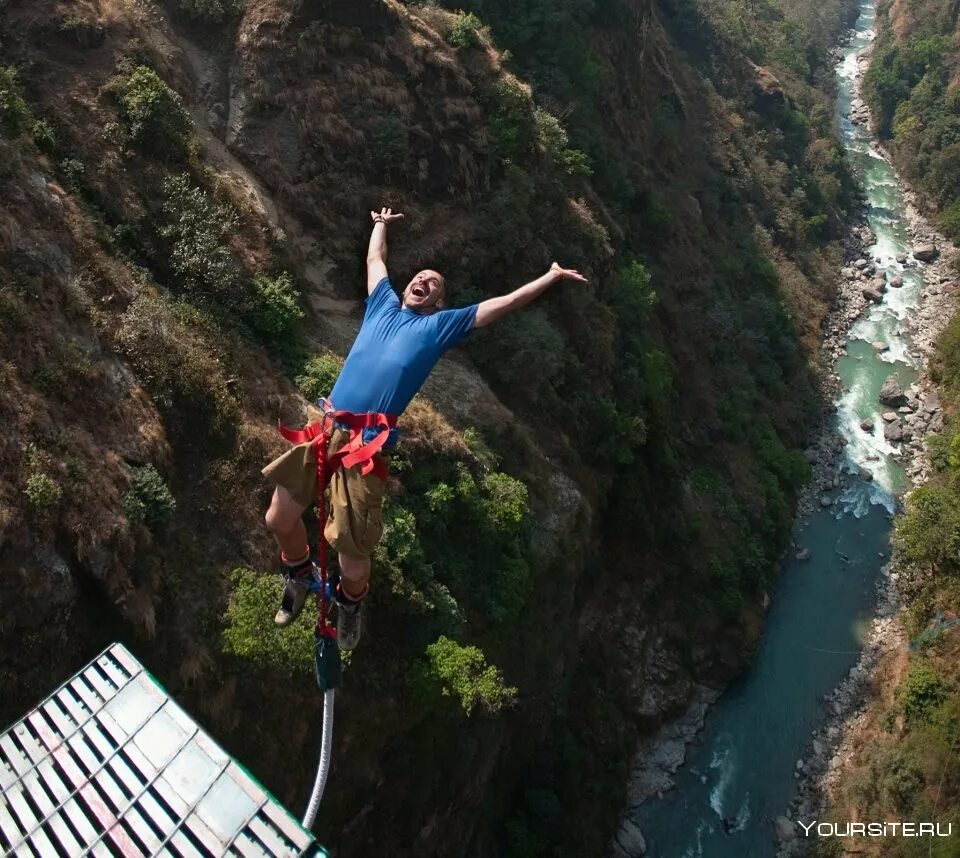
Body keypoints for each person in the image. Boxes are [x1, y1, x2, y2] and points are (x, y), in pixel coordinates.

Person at [262, 207, 587, 650]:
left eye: (433, 284)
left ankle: (350, 605)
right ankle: (299, 574)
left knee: (353, 559)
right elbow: (375, 261)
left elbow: (500, 306)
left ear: (438, 302)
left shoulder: (438, 327)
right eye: (421, 276)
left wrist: (548, 278)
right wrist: (379, 223)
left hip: (364, 446)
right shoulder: (381, 305)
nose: (424, 282)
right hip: (326, 424)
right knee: (279, 518)